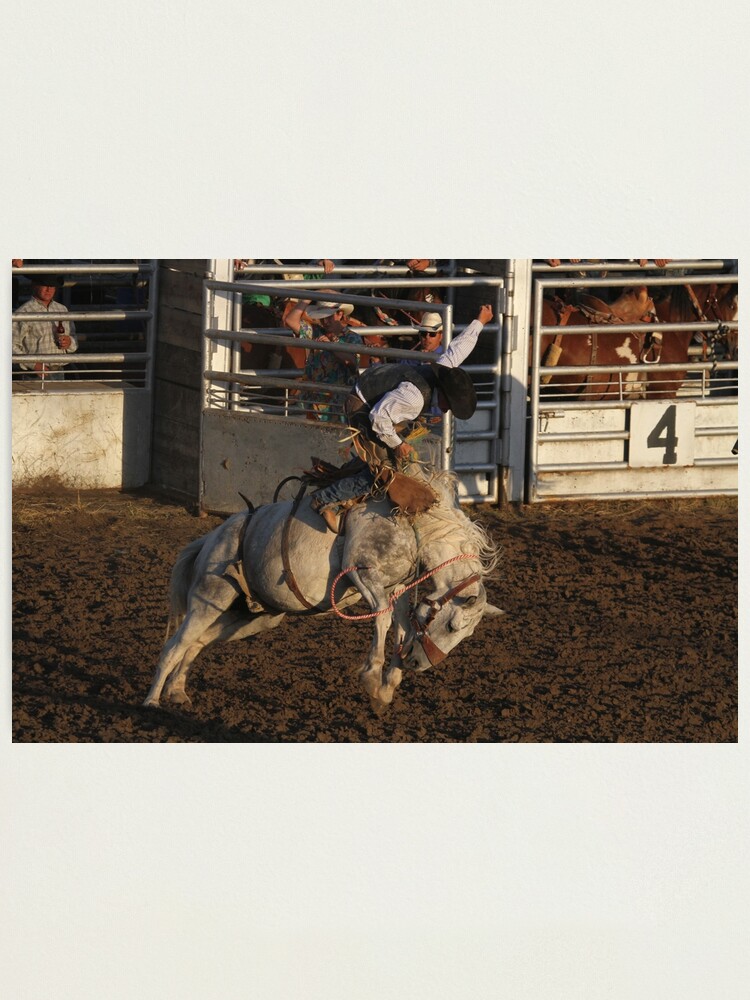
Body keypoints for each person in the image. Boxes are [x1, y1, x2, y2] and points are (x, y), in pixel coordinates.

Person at [309, 303, 493, 531]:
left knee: (388, 456)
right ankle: (325, 499)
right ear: (444, 395)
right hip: (363, 406)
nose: (447, 411)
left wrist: (480, 321)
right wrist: (398, 444)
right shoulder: (414, 399)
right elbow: (378, 419)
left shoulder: (443, 370)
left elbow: (459, 348)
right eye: (450, 405)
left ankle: (348, 491)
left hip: (375, 397)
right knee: (382, 471)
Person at [282, 293, 362, 421]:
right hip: (314, 402)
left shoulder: (352, 338)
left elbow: (351, 361)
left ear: (339, 314)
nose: (325, 321)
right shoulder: (316, 331)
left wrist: (331, 346)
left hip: (339, 404)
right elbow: (290, 320)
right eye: (322, 317)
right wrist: (308, 297)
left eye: (329, 317)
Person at [12, 273, 77, 380]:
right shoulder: (24, 312)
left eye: (52, 286)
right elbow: (11, 345)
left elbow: (73, 338)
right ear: (34, 285)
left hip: (59, 369)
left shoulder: (62, 309)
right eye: (44, 285)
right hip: (34, 373)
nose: (49, 289)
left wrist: (69, 342)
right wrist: (33, 364)